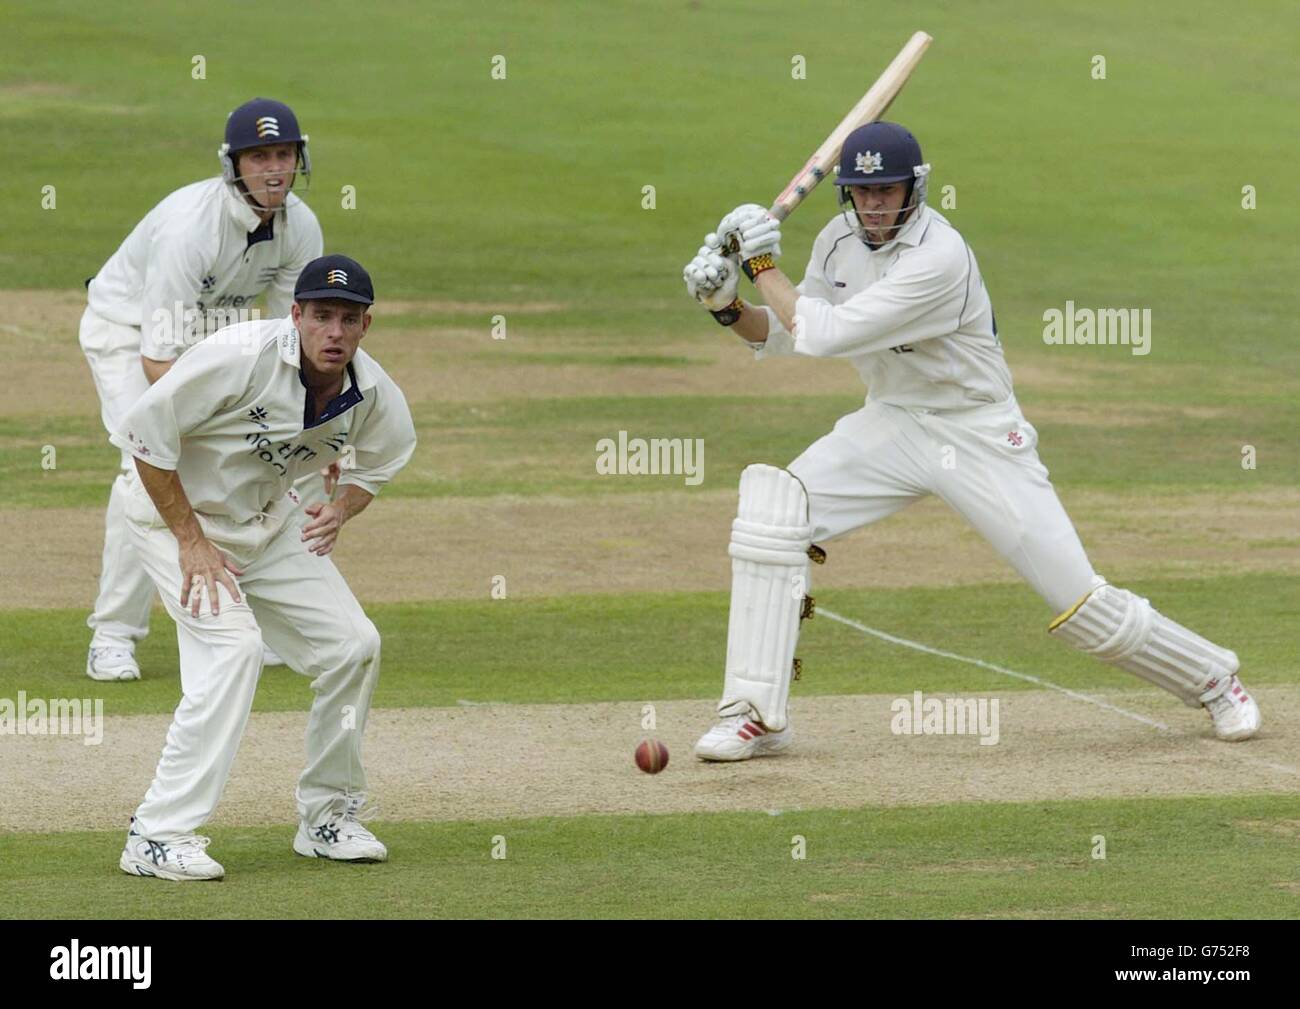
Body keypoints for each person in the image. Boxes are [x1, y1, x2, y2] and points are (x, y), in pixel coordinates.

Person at [682, 121, 1260, 762]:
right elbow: (786, 330)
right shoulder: (836, 240)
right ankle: (754, 714)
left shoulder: (941, 256)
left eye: (887, 191)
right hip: (895, 421)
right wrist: (728, 304)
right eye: (862, 192)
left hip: (977, 431)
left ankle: (1213, 679)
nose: (874, 206)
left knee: (1080, 603)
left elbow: (829, 334)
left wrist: (761, 261)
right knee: (773, 510)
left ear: (914, 188)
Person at [116, 255, 417, 881]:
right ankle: (157, 834)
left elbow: (380, 463)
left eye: (349, 319)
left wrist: (341, 509)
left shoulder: (372, 390)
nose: (335, 332)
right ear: (296, 315)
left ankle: (327, 817)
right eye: (323, 316)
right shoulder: (240, 357)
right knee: (234, 651)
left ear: (366, 325)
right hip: (172, 520)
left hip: (265, 521)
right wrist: (192, 541)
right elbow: (145, 438)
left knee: (353, 645)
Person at [79, 97, 323, 681]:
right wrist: (218, 422)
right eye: (258, 156)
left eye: (283, 154)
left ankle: (250, 621)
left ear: (298, 159)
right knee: (144, 464)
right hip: (128, 331)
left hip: (215, 337)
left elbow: (296, 334)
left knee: (261, 460)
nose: (273, 169)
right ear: (233, 165)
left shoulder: (301, 226)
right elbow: (158, 360)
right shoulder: (192, 230)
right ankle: (112, 636)